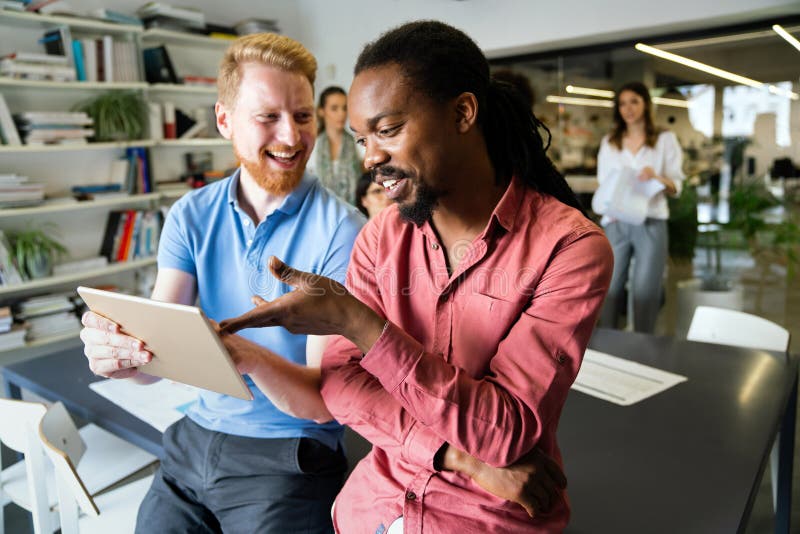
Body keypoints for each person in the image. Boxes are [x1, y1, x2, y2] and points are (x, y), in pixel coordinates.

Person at [221, 20, 614, 532]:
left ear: (462, 113)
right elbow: (342, 387)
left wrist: (358, 322)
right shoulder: (381, 237)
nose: (371, 158)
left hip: (486, 517)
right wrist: (456, 456)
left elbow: (505, 434)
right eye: (363, 139)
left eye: (387, 130)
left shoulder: (569, 248)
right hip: (374, 507)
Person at [79, 33, 366, 533]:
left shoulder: (343, 230)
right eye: (268, 117)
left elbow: (324, 403)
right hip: (195, 437)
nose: (292, 137)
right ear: (224, 119)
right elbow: (155, 362)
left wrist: (244, 355)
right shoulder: (191, 214)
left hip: (290, 452)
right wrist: (121, 358)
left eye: (302, 117)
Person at [595, 81, 685, 333]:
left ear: (646, 104)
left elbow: (677, 186)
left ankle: (643, 346)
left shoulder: (665, 139)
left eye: (634, 101)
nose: (628, 108)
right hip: (616, 222)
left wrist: (656, 177)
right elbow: (604, 183)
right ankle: (609, 343)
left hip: (651, 221)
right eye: (622, 103)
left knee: (646, 290)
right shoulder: (610, 142)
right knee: (610, 287)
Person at [307, 86, 363, 204]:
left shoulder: (359, 144)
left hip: (355, 212)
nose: (341, 114)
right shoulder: (312, 146)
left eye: (344, 108)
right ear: (321, 111)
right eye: (334, 108)